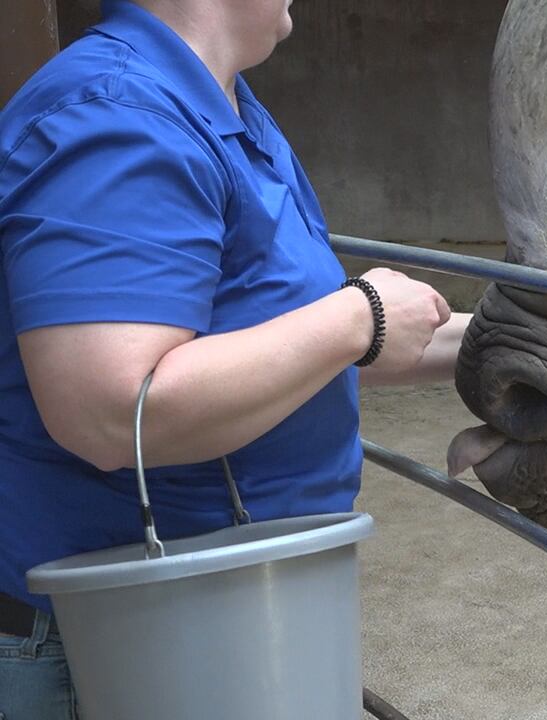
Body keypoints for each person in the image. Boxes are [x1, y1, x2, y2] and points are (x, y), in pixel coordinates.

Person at [0, 0, 468, 716]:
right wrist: (356, 315)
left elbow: (272, 347)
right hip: (108, 648)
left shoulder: (219, 104)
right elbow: (110, 410)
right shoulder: (120, 116)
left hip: (219, 617)